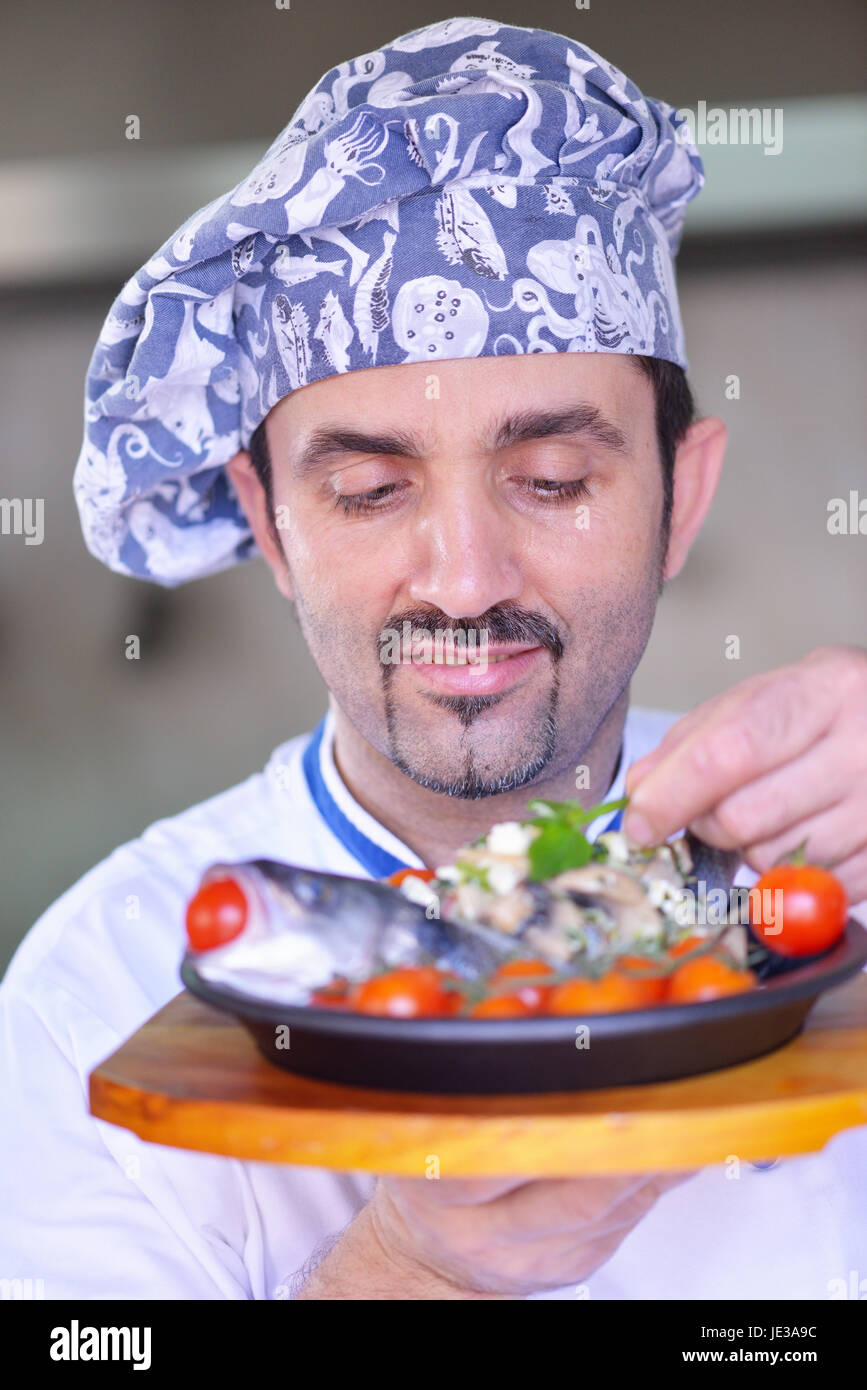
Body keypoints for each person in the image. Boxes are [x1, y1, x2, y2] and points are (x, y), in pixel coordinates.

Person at [1, 17, 865, 1301]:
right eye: (365, 489)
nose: (464, 578)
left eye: (554, 477)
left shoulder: (824, 863)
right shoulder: (95, 992)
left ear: (682, 499)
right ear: (269, 526)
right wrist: (408, 1272)